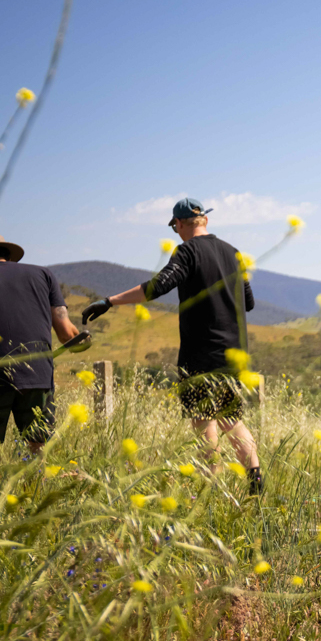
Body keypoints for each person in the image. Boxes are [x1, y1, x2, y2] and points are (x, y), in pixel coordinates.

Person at [82, 199, 263, 493]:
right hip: (233, 355)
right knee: (232, 420)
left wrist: (109, 301)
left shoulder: (187, 251)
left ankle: (207, 493)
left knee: (204, 426)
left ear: (178, 225)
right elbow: (250, 303)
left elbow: (158, 286)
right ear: (205, 220)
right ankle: (256, 484)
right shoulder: (233, 253)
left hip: (200, 355)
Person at [0, 235, 82, 454]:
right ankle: (36, 485)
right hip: (36, 371)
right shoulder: (43, 274)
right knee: (38, 448)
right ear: (9, 256)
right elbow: (66, 334)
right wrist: (82, 340)